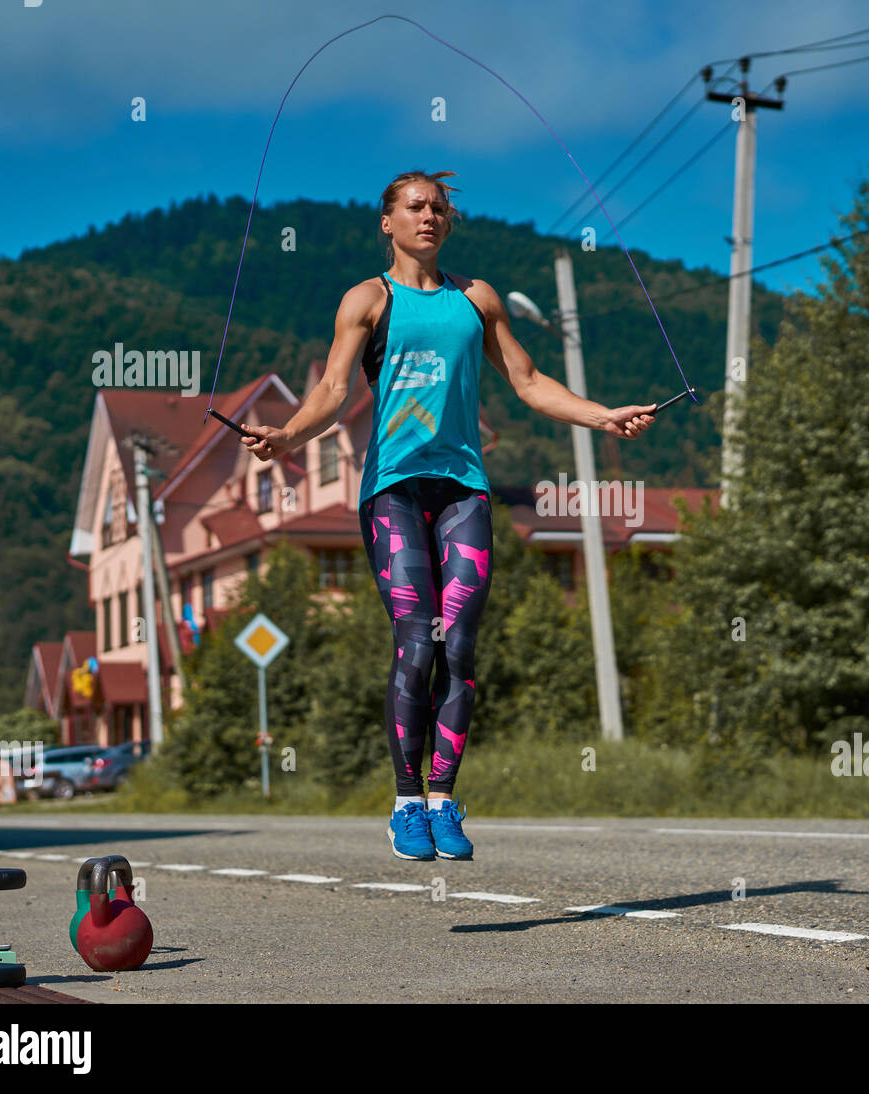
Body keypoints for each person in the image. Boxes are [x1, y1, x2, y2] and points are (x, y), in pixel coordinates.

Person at [240, 169, 657, 860]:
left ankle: (443, 799)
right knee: (417, 637)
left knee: (459, 647)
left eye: (437, 208)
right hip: (393, 489)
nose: (428, 217)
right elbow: (334, 390)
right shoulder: (368, 301)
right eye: (414, 207)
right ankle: (406, 805)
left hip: (463, 487)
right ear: (388, 221)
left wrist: (602, 415)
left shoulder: (477, 299)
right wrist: (287, 436)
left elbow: (526, 381)